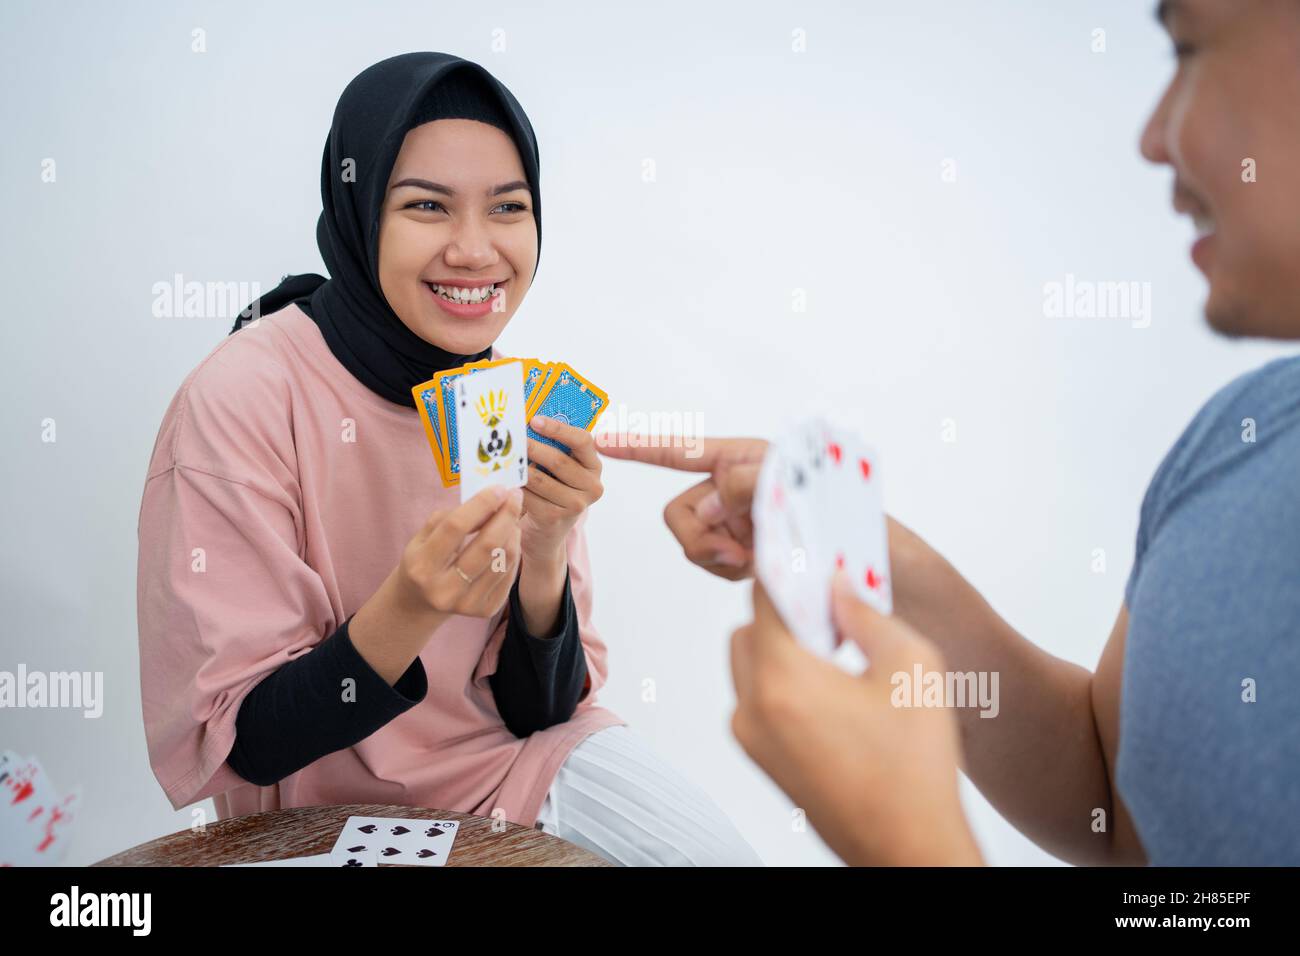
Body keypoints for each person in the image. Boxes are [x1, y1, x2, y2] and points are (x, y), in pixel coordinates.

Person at [599, 0, 1300, 866]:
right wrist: (852, 546)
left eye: (1188, 49)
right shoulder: (1242, 435)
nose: (1153, 137)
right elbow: (1108, 798)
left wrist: (907, 843)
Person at [136, 52, 759, 867]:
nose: (475, 251)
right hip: (321, 813)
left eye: (508, 208)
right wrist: (411, 606)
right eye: (428, 206)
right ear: (360, 213)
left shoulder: (503, 391)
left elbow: (544, 712)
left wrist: (545, 554)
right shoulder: (241, 397)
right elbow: (249, 743)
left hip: (518, 765)